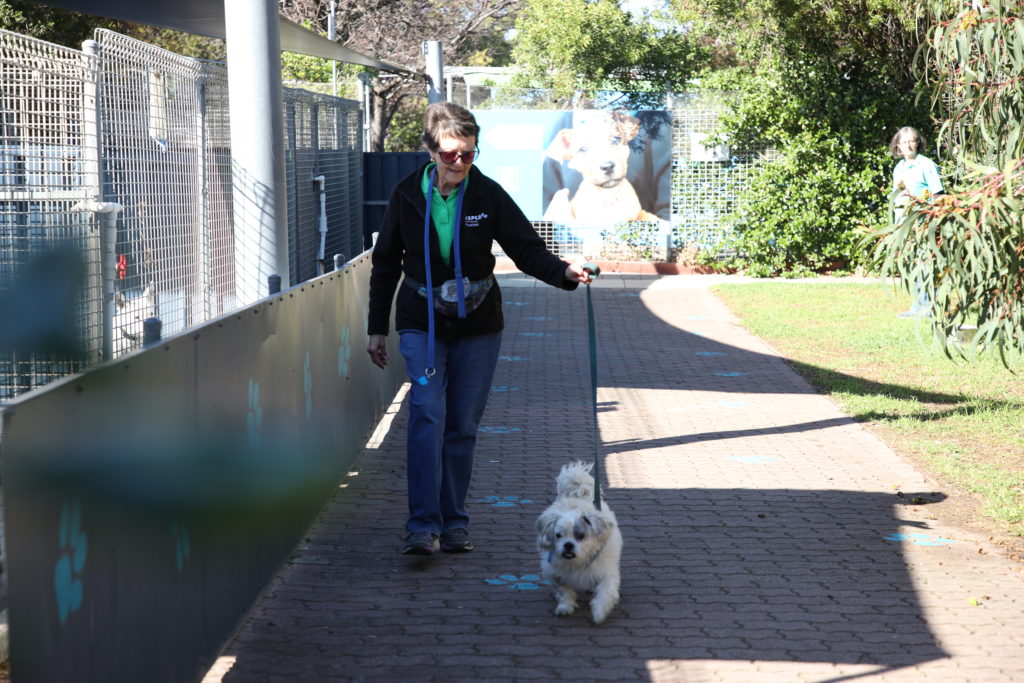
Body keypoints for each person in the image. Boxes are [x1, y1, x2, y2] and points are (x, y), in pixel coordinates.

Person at [366, 101, 594, 556]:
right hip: (421, 320)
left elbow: (526, 249)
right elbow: (386, 262)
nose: (459, 162)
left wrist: (565, 273)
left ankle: (454, 521)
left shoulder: (488, 194)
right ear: (430, 150)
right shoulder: (406, 193)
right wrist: (377, 328)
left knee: (462, 424)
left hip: (479, 322)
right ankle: (422, 525)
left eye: (467, 153)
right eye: (449, 154)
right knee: (426, 413)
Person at [890, 126, 944, 318]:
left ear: (918, 143)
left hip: (924, 223)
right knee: (912, 265)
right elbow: (896, 197)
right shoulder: (899, 168)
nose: (908, 145)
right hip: (904, 225)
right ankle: (917, 306)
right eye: (904, 142)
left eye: (911, 140)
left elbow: (939, 194)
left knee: (926, 264)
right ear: (898, 146)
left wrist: (935, 222)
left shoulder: (926, 165)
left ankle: (930, 307)